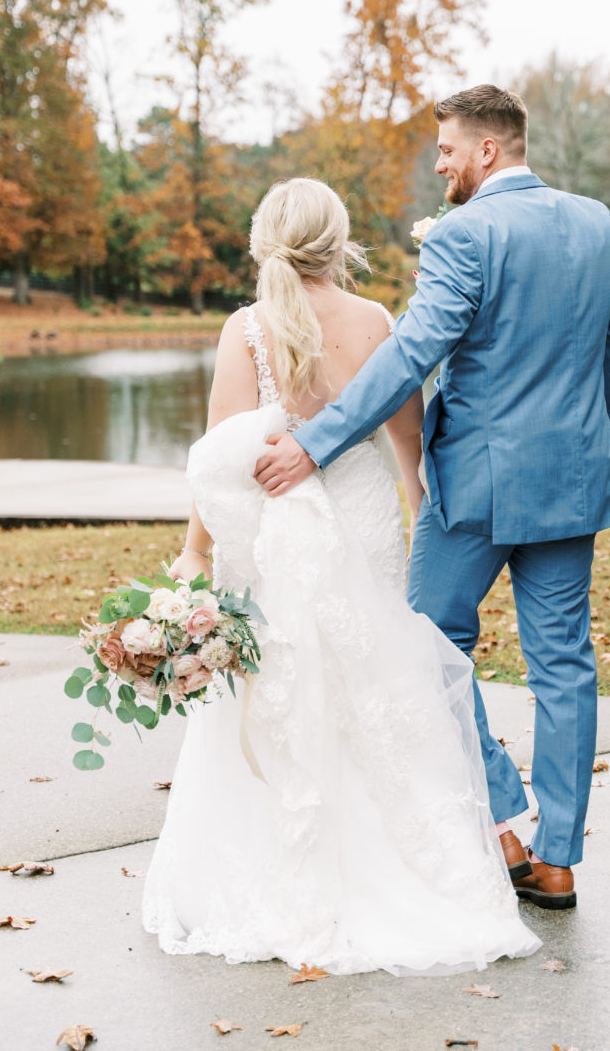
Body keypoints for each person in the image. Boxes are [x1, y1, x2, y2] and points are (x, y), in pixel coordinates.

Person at [142, 176, 538, 975]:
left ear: (264, 241)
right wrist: (422, 499)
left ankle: (289, 871)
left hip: (275, 535)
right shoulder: (375, 321)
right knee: (374, 685)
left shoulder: (246, 330)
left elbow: (223, 461)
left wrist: (194, 549)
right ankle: (413, 863)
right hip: (358, 522)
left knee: (284, 692)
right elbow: (405, 436)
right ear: (339, 240)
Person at [255, 85, 610, 910]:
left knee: (422, 642)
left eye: (446, 150)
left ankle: (500, 819)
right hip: (573, 480)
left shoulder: (466, 233)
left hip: (476, 488)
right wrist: (593, 447)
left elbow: (407, 360)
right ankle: (559, 857)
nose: (440, 165)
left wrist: (314, 442)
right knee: (564, 666)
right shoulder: (596, 223)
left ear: (487, 151)